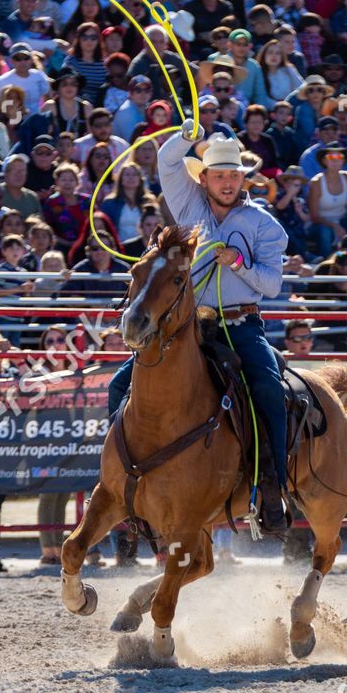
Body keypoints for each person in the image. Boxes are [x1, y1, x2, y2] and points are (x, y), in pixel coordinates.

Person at [106, 122, 293, 534]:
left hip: (241, 325)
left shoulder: (266, 226)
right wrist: (188, 134)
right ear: (204, 178)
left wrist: (239, 263)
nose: (227, 182)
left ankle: (273, 485)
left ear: (244, 178)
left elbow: (273, 285)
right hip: (188, 330)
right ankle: (120, 482)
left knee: (268, 388)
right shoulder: (190, 208)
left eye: (234, 175)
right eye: (219, 175)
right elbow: (166, 160)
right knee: (119, 386)